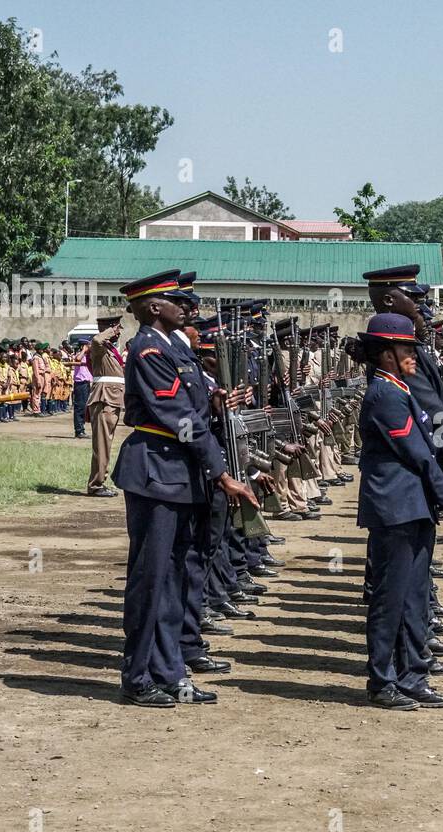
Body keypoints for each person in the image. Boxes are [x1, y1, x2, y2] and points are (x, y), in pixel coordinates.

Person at [111, 270, 259, 708]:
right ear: (154, 307)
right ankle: (137, 676)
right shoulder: (149, 348)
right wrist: (221, 472)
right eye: (177, 301)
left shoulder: (176, 346)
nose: (187, 307)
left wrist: (215, 403)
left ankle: (169, 670)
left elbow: (194, 408)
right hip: (157, 470)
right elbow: (179, 418)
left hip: (180, 474)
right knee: (152, 580)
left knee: (176, 580)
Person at [355, 312, 443, 710]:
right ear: (386, 354)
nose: (413, 355)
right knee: (391, 599)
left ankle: (412, 676)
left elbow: (431, 442)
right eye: (407, 348)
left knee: (414, 597)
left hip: (413, 506)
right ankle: (382, 681)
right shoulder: (384, 394)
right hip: (395, 509)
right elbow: (421, 456)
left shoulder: (399, 390)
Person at [86, 314, 126, 496]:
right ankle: (96, 485)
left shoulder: (109, 349)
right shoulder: (98, 347)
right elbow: (96, 339)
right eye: (117, 329)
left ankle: (100, 481)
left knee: (106, 445)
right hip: (105, 400)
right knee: (102, 445)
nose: (118, 333)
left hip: (112, 399)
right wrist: (110, 330)